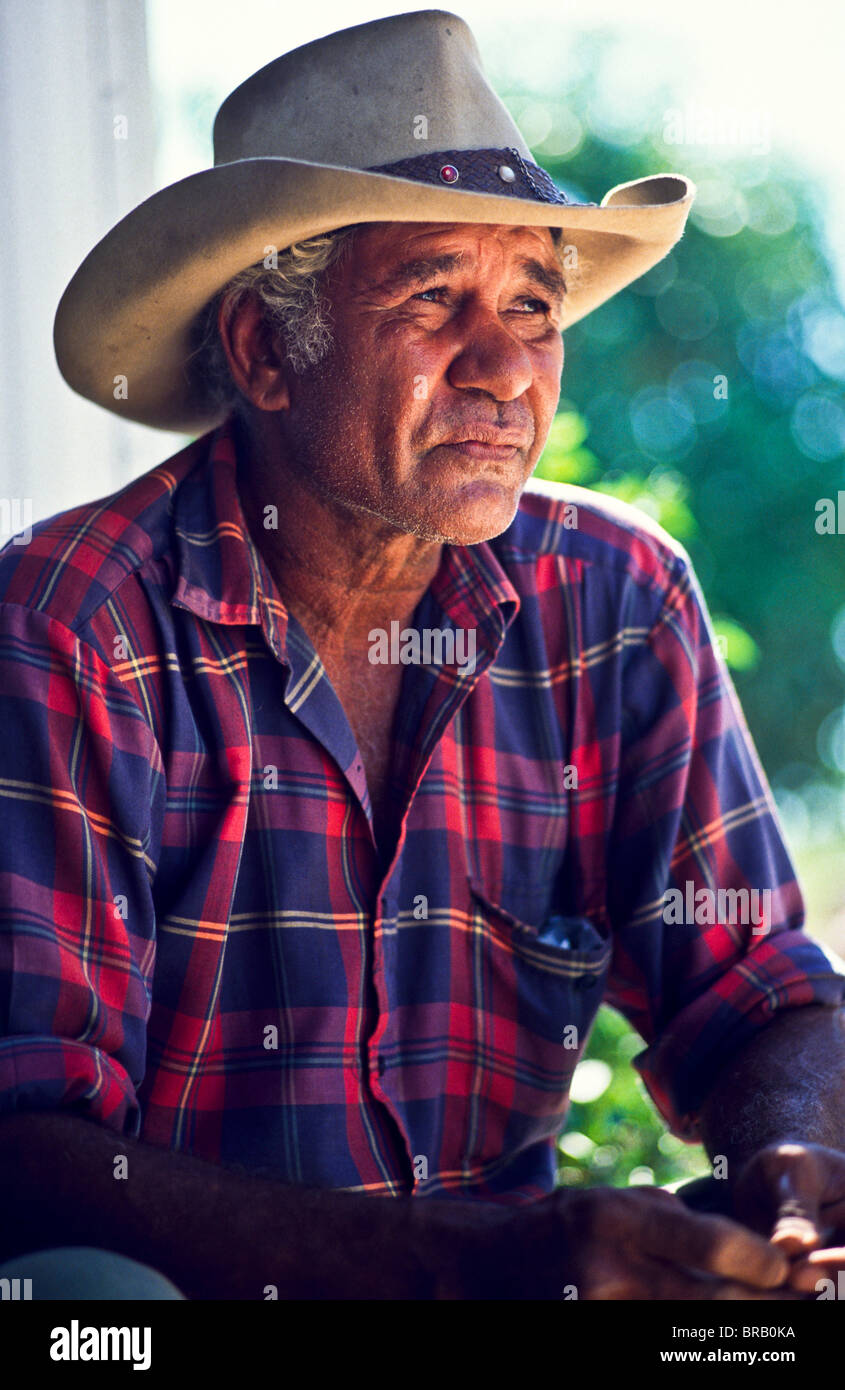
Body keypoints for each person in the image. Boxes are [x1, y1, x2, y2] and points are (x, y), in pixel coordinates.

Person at [0, 10, 843, 1302]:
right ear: (262, 349)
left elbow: (753, 988)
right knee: (77, 1297)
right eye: (433, 297)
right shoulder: (76, 617)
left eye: (532, 306)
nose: (505, 368)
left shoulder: (611, 597)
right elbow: (30, 1148)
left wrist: (794, 1154)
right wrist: (486, 1263)